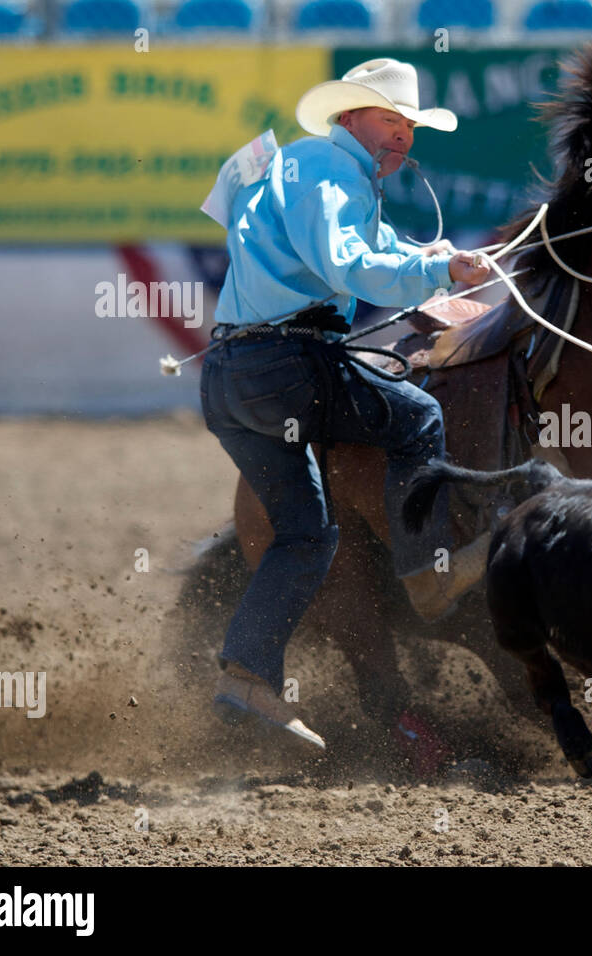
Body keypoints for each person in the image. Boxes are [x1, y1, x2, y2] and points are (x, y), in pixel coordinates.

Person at [200, 59, 491, 750]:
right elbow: (345, 264)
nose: (404, 139)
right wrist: (438, 270)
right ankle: (425, 571)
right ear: (350, 118)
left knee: (307, 535)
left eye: (410, 128)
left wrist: (433, 258)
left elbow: (372, 248)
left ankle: (245, 674)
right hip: (285, 368)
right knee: (418, 416)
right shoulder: (331, 173)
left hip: (231, 380)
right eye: (393, 122)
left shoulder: (311, 170)